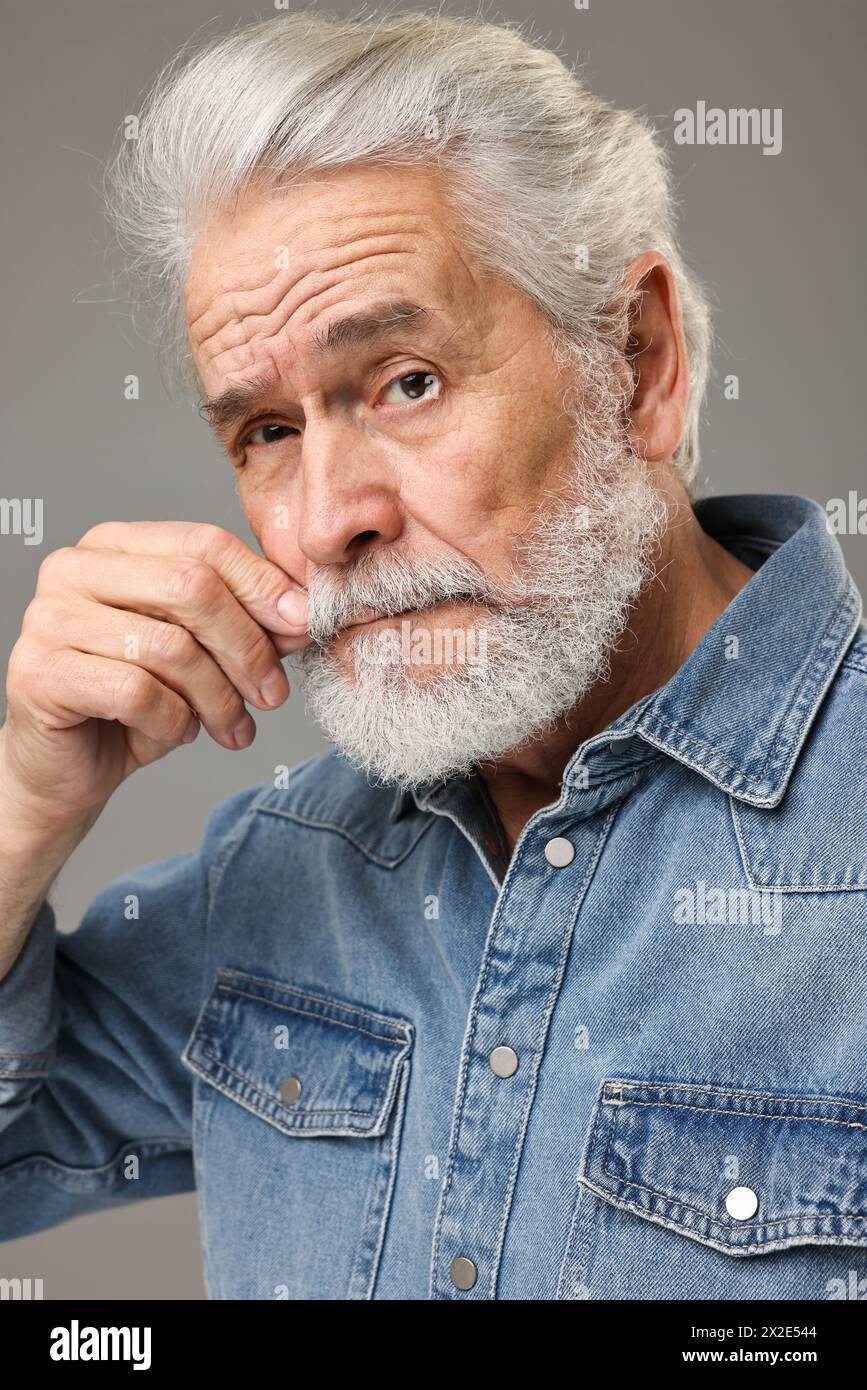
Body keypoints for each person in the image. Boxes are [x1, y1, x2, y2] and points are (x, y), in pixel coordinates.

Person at [1, 11, 865, 1301]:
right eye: (268, 430)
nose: (329, 517)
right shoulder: (284, 873)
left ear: (637, 364)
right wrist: (20, 802)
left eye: (406, 381)